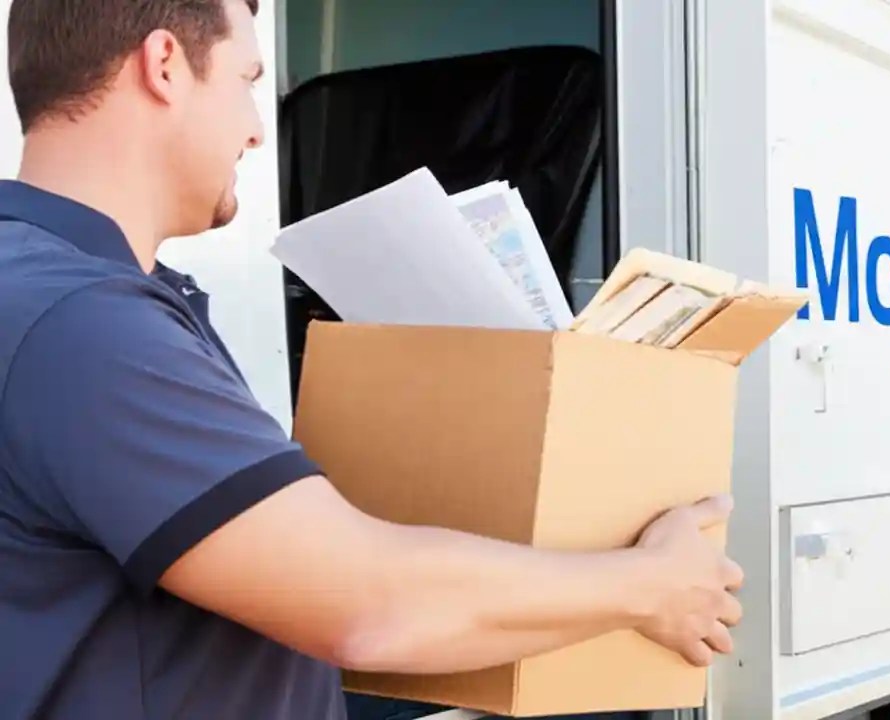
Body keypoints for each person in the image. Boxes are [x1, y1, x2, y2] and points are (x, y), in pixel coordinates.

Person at [0, 1, 743, 718]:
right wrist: (651, 585)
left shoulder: (57, 289)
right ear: (164, 65)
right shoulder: (83, 320)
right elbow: (363, 606)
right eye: (246, 82)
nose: (256, 133)